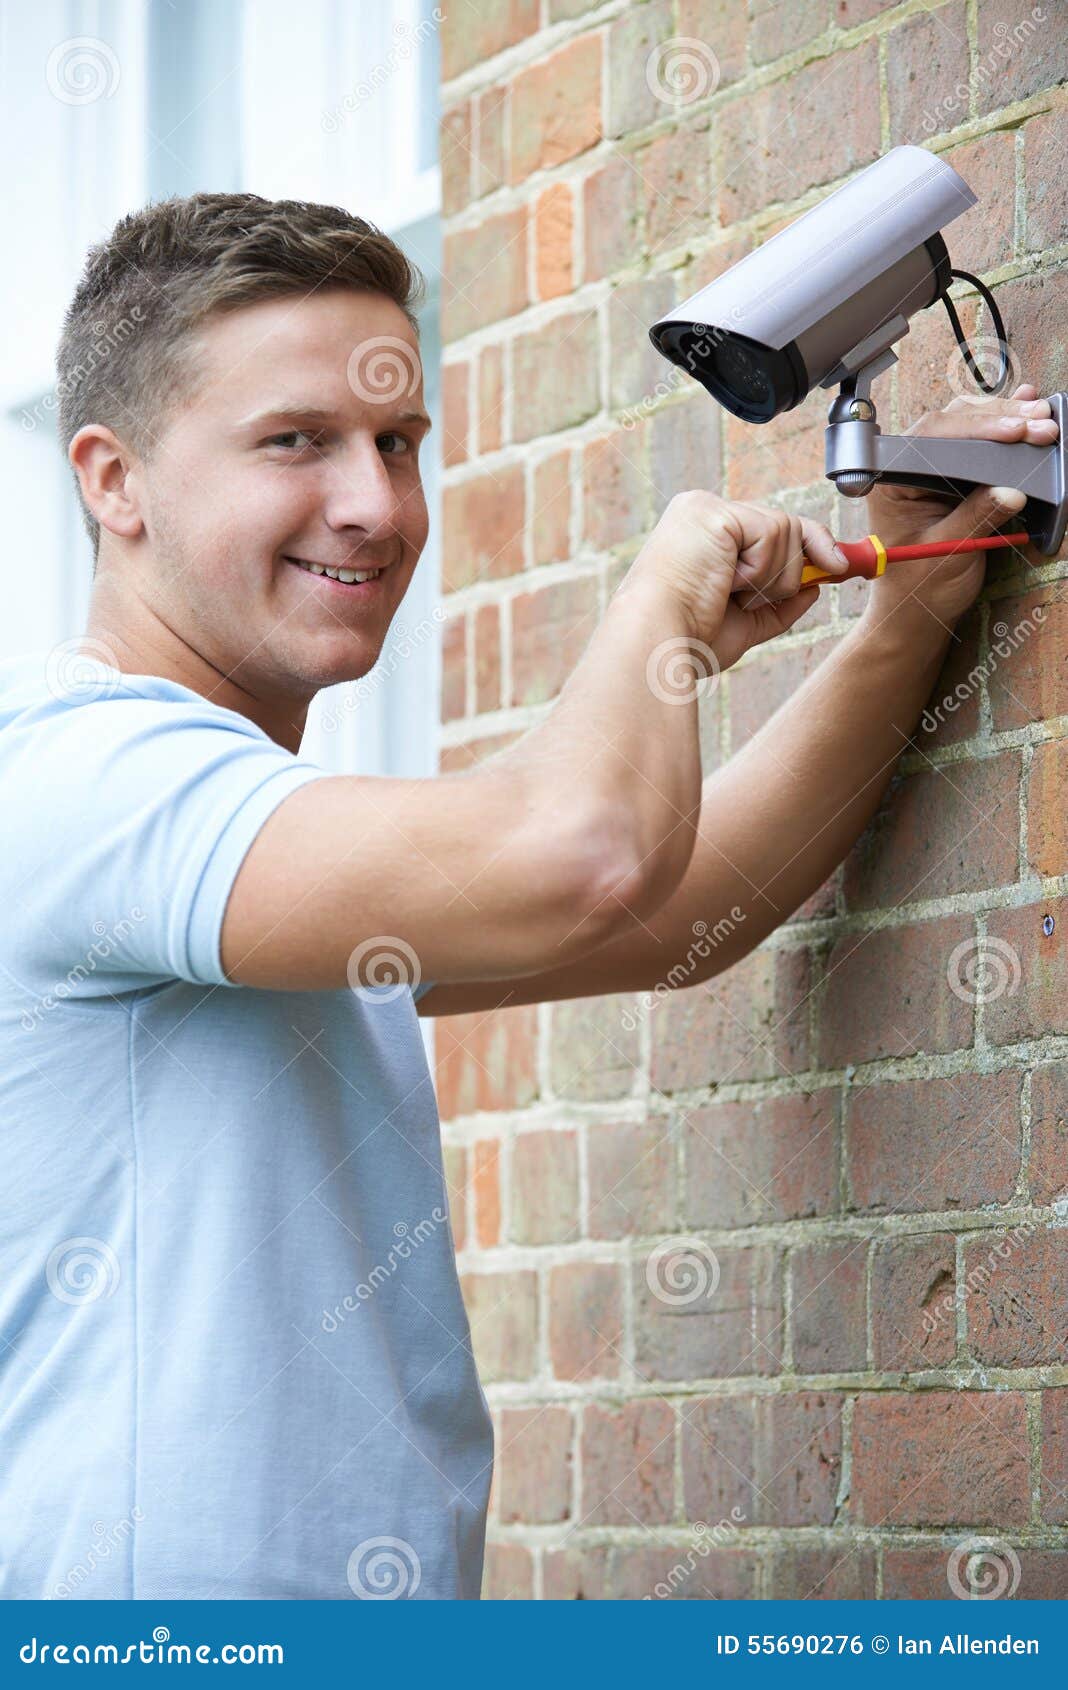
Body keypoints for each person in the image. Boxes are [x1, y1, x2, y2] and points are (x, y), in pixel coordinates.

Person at [0, 190, 1056, 1600]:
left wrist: (911, 617)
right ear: (112, 480)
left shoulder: (222, 827)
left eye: (397, 443)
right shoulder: (84, 783)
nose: (374, 503)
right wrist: (660, 597)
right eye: (294, 441)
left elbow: (666, 911)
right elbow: (584, 858)